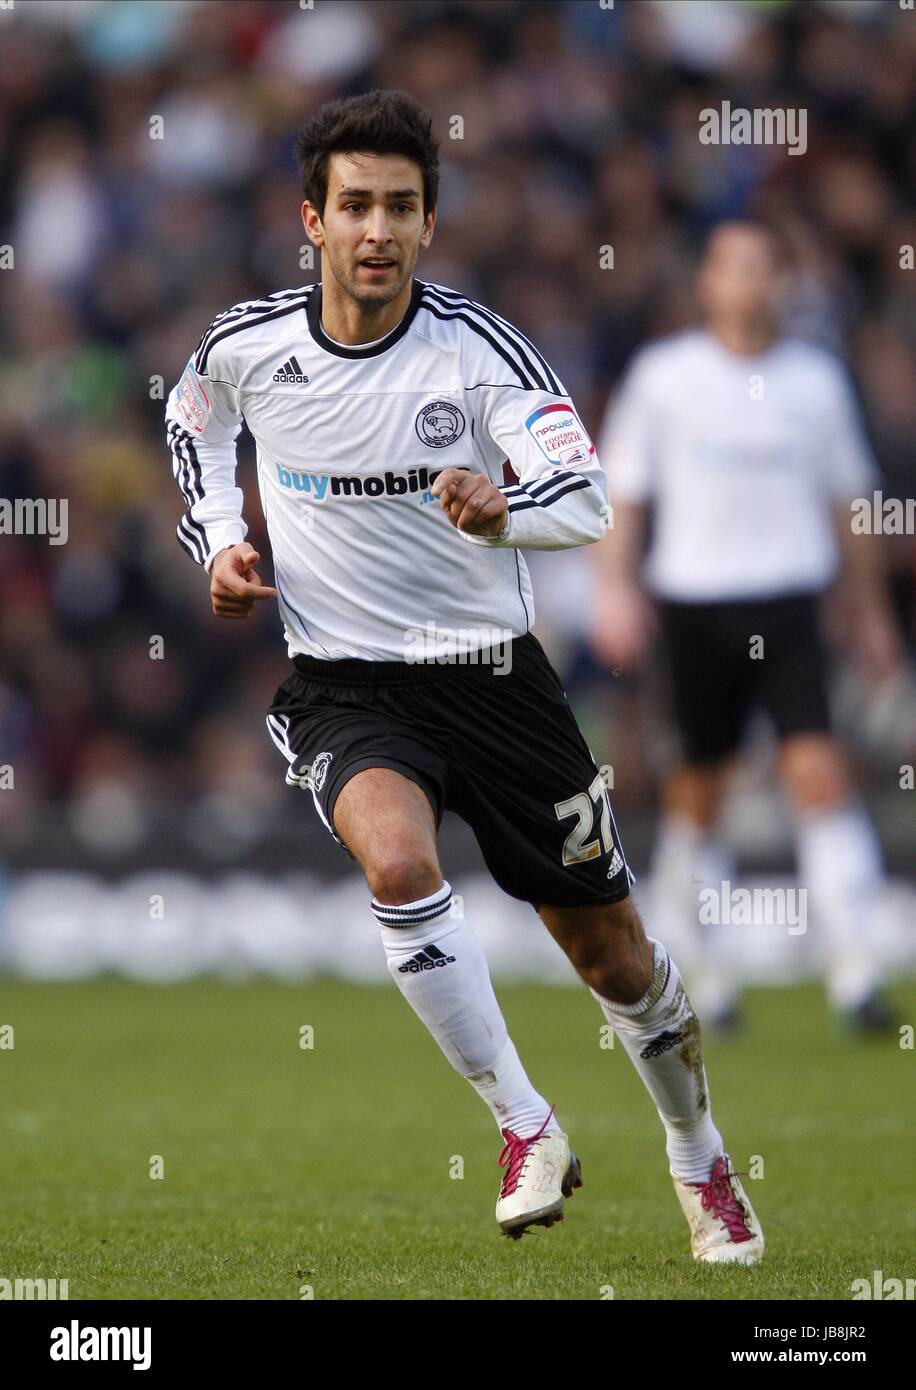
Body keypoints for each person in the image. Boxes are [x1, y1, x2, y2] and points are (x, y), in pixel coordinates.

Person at [165, 90, 762, 1263]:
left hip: (494, 684)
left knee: (617, 960)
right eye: (354, 206)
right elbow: (193, 414)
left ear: (428, 223)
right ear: (313, 220)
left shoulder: (480, 351)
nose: (375, 228)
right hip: (344, 683)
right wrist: (217, 539)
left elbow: (582, 497)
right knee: (397, 862)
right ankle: (523, 1123)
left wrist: (505, 511)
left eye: (399, 206)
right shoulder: (250, 346)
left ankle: (700, 1158)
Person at [591, 220, 902, 1032]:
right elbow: (624, 496)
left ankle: (856, 975)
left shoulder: (816, 382)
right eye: (734, 267)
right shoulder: (665, 378)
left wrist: (869, 614)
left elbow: (850, 505)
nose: (750, 283)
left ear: (783, 281)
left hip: (791, 601)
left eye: (765, 267)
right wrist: (616, 591)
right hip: (698, 606)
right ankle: (706, 976)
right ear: (708, 283)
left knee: (819, 775)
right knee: (700, 792)